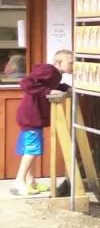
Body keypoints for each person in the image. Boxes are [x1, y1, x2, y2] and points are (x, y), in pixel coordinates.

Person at [10, 60, 70, 196]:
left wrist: (64, 88)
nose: (73, 65)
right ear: (59, 62)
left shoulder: (54, 74)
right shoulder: (49, 70)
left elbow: (48, 85)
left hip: (30, 116)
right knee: (32, 149)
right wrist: (49, 91)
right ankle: (19, 182)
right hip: (31, 116)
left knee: (28, 149)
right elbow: (26, 83)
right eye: (71, 62)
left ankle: (30, 181)